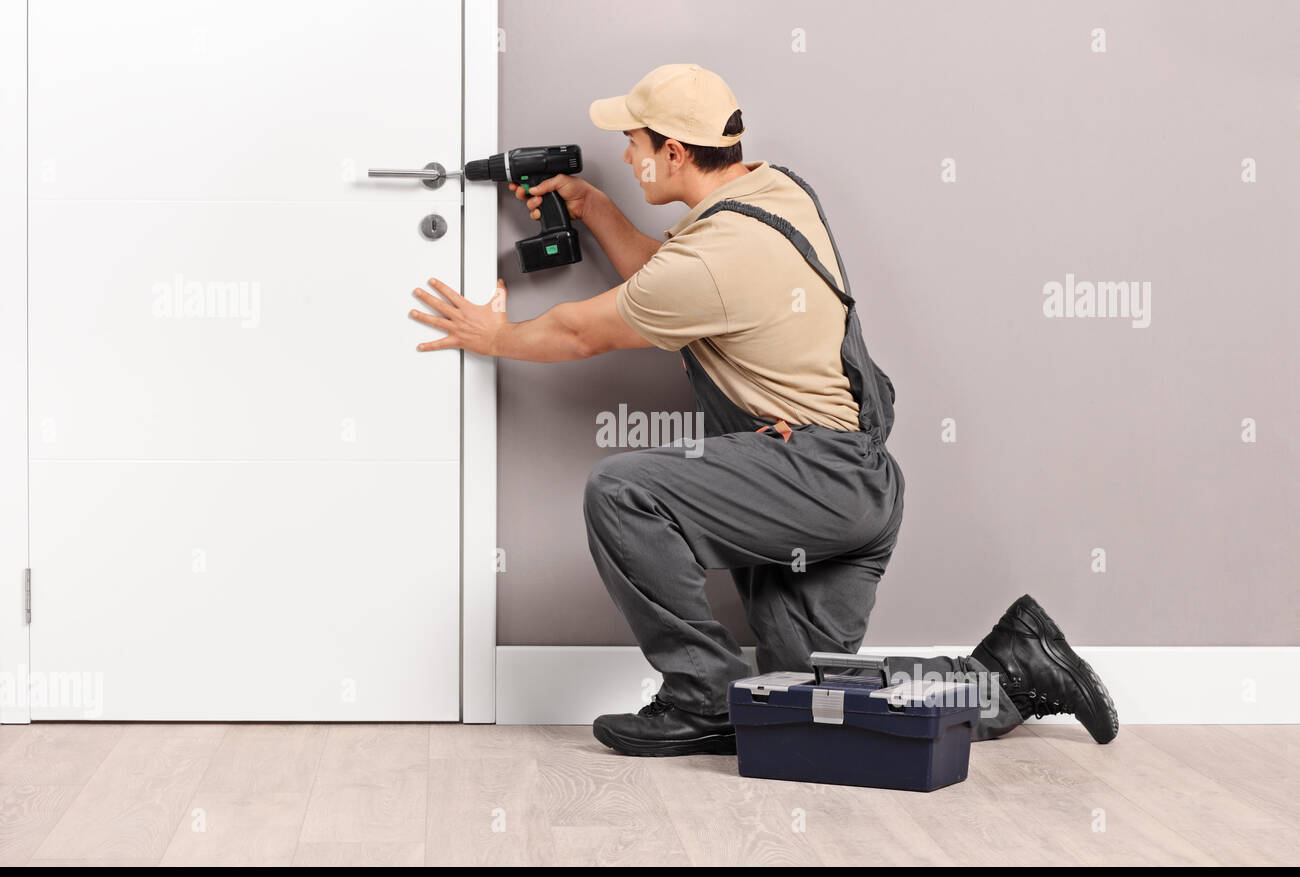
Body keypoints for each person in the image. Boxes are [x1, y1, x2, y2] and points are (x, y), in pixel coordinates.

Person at [408, 64, 1120, 756]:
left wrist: (492, 334)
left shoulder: (713, 259)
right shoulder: (771, 192)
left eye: (636, 142)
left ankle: (702, 698)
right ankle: (1013, 670)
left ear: (675, 152)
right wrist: (594, 208)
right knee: (805, 707)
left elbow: (582, 330)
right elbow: (678, 281)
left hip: (816, 477)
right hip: (849, 481)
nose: (627, 154)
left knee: (622, 491)